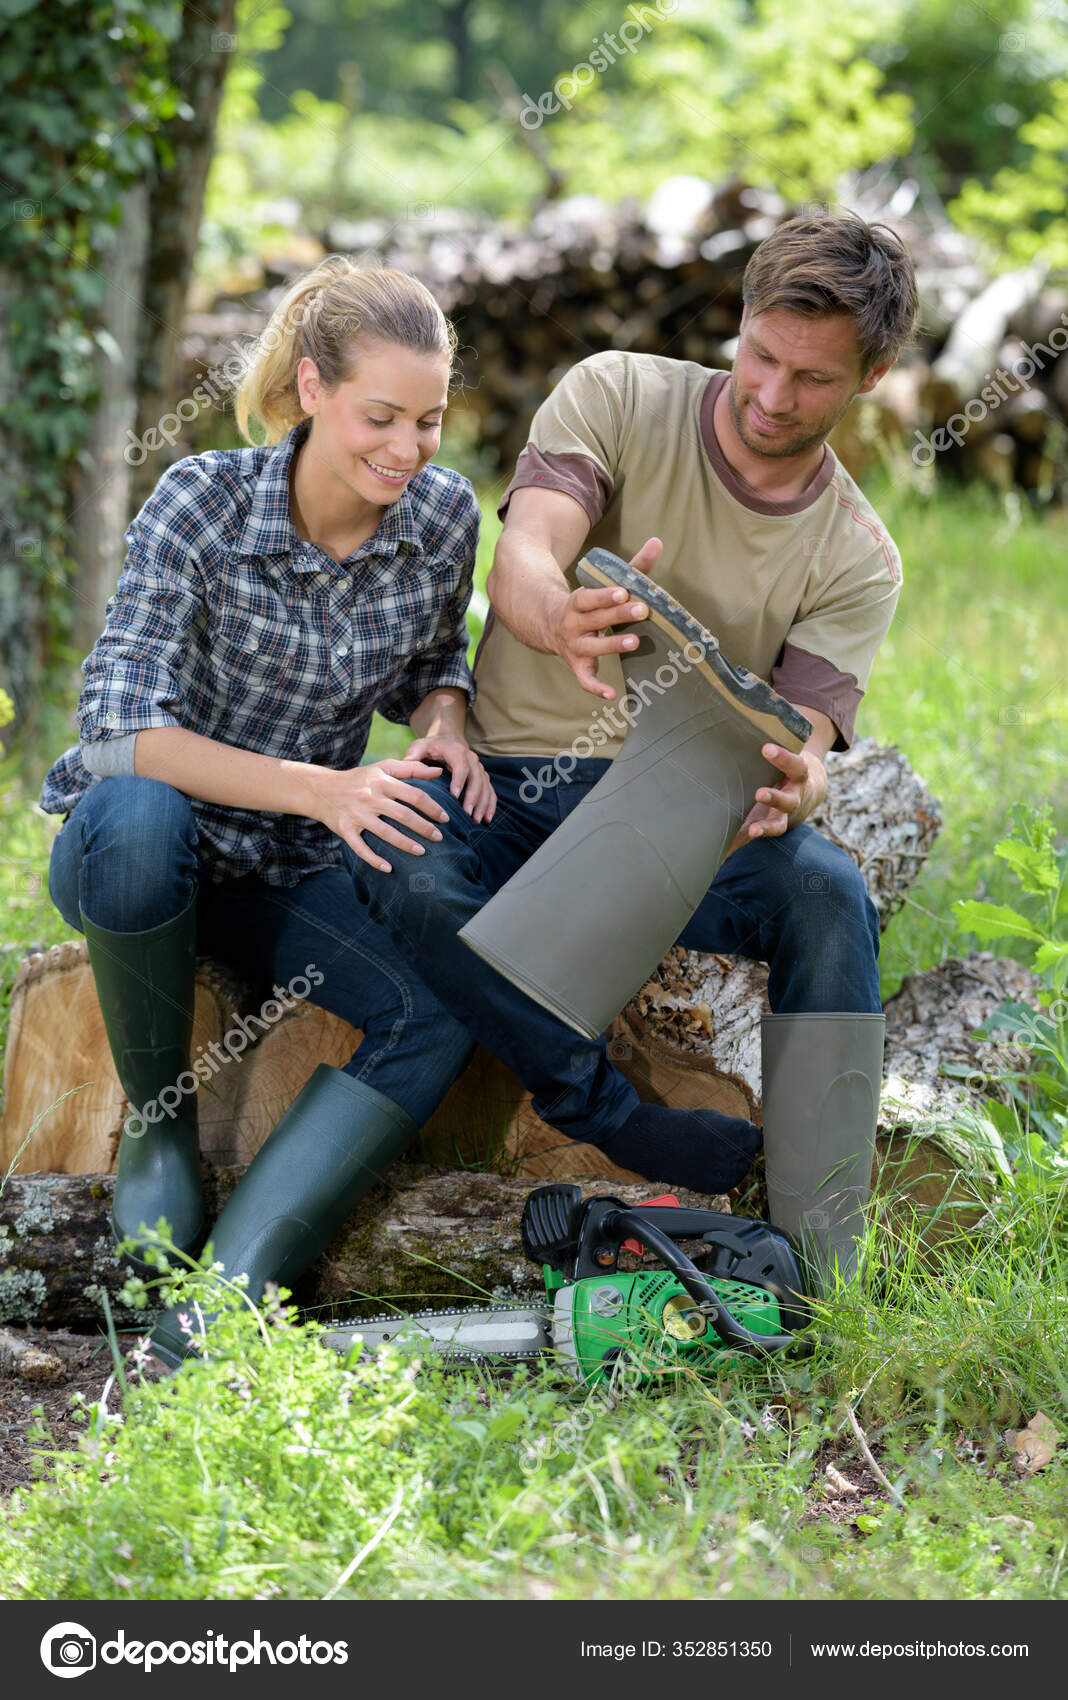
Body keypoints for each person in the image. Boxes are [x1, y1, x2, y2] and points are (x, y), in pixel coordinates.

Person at [342, 211, 920, 1198]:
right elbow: (523, 552)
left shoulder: (859, 556)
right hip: (508, 793)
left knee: (829, 893)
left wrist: (802, 781)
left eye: (814, 377)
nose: (774, 395)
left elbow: (806, 734)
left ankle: (821, 1233)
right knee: (400, 851)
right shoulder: (615, 390)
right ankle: (599, 1107)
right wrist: (561, 615)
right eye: (763, 355)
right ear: (740, 319)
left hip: (675, 834)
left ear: (870, 378)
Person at [40, 258, 495, 1306]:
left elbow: (435, 660)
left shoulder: (441, 519)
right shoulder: (200, 500)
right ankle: (158, 1134)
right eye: (381, 416)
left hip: (281, 870)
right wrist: (325, 789)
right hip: (137, 853)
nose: (406, 450)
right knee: (140, 816)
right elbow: (118, 729)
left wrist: (445, 722)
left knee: (437, 998)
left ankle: (226, 1297)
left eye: (428, 422)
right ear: (311, 387)